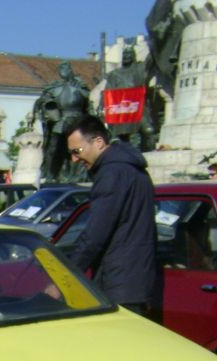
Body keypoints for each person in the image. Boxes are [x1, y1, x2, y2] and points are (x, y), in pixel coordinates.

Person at [64, 115, 156, 315]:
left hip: (118, 282)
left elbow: (95, 235)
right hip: (137, 280)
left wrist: (67, 277)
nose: (74, 159)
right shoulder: (134, 169)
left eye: (77, 151)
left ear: (98, 142)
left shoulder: (111, 173)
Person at [33, 61, 91, 182]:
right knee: (53, 148)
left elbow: (87, 105)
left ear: (70, 70)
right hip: (61, 120)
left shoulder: (80, 86)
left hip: (77, 119)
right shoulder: (55, 87)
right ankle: (51, 173)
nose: (64, 72)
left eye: (66, 69)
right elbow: (44, 101)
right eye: (61, 70)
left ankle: (76, 173)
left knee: (76, 148)